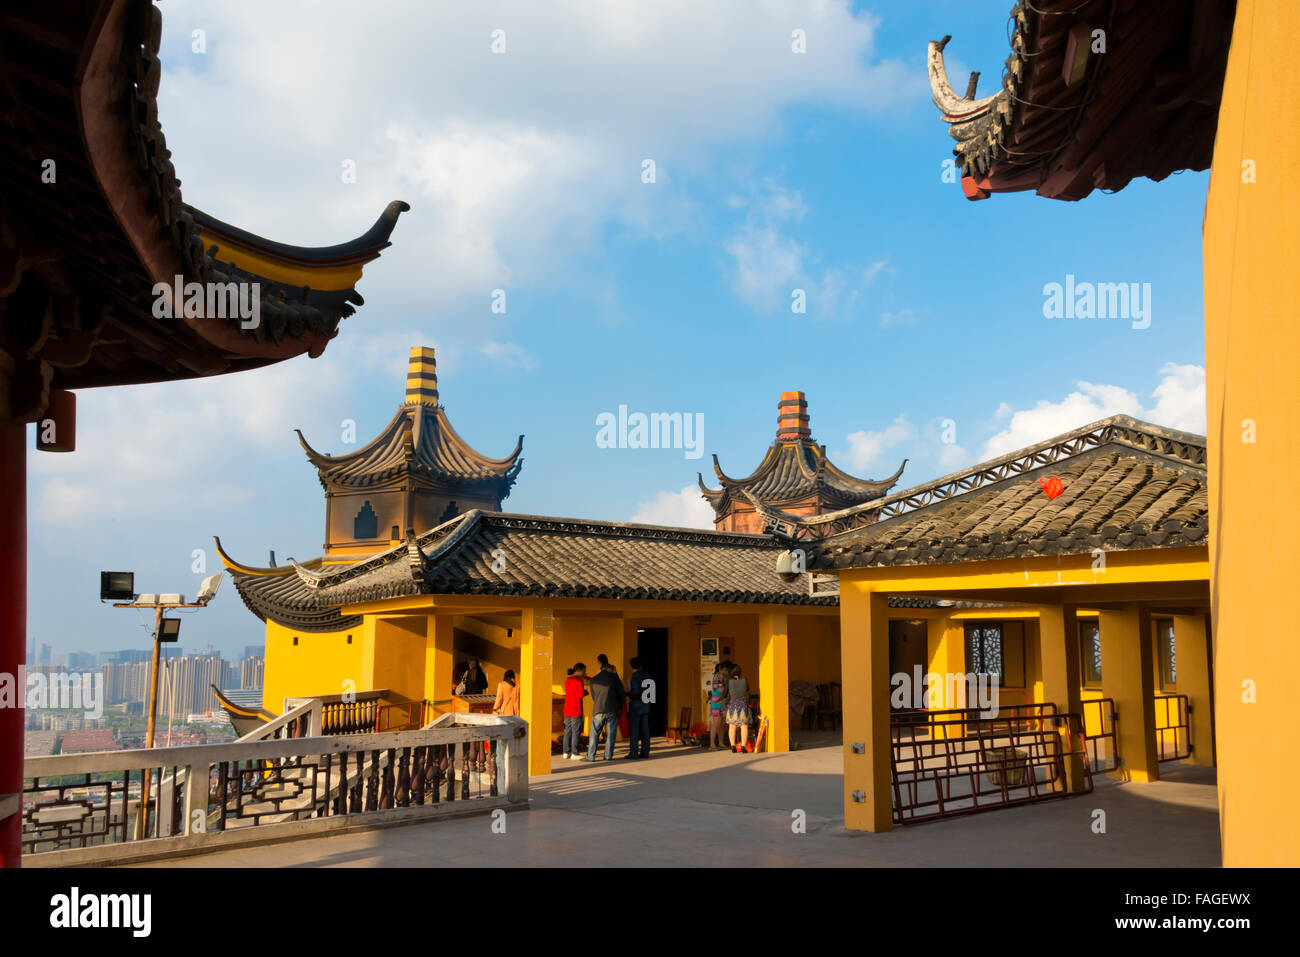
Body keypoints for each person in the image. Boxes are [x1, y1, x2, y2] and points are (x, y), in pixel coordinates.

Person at [586, 661, 624, 761]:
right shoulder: (614, 678)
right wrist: (619, 707)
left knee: (594, 733)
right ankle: (608, 756)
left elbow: (594, 696)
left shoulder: (594, 679)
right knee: (611, 734)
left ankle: (591, 756)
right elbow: (621, 694)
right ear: (608, 668)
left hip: (598, 709)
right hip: (612, 709)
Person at [626, 657, 653, 759]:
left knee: (634, 729)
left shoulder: (634, 676)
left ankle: (633, 752)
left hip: (636, 704)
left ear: (631, 666)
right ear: (641, 665)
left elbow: (635, 692)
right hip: (646, 704)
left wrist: (628, 694)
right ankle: (645, 752)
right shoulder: (648, 676)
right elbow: (651, 692)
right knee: (645, 729)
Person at [562, 663, 588, 760]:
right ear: (580, 670)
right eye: (584, 671)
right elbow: (580, 695)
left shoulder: (568, 680)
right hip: (576, 709)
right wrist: (586, 692)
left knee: (567, 731)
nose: (584, 673)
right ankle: (574, 753)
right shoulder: (579, 681)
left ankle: (565, 752)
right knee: (576, 732)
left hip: (567, 709)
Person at [726, 664, 751, 753]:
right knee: (744, 726)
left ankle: (733, 746)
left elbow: (725, 693)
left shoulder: (729, 682)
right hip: (743, 704)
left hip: (733, 704)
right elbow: (747, 689)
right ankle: (743, 747)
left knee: (732, 726)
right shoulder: (744, 680)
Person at [708, 662, 729, 750]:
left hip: (722, 702)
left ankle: (721, 743)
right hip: (717, 702)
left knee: (722, 724)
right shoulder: (718, 676)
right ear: (721, 668)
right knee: (716, 723)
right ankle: (712, 744)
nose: (727, 671)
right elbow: (720, 689)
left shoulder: (723, 677)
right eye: (726, 669)